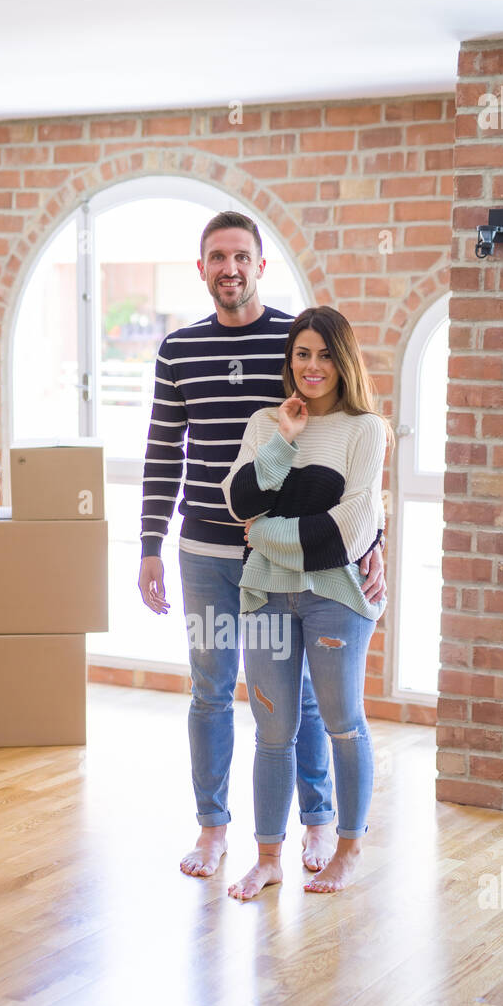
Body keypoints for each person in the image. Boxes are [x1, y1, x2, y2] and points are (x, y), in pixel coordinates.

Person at [137, 212, 385, 878]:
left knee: (300, 697)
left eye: (241, 256)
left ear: (260, 265)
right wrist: (149, 544)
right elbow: (163, 452)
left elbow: (348, 454)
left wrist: (373, 540)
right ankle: (213, 830)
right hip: (205, 554)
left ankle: (316, 823)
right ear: (201, 268)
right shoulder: (177, 350)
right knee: (210, 690)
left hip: (282, 559)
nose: (229, 268)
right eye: (216, 257)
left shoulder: (295, 338)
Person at [222, 306, 392, 899]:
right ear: (290, 359)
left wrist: (268, 538)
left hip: (335, 600)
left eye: (324, 354)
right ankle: (267, 857)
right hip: (265, 596)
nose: (312, 366)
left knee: (344, 723)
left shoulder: (365, 429)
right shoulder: (267, 421)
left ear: (342, 360)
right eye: (302, 353)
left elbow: (349, 529)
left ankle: (347, 848)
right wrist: (284, 440)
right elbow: (240, 502)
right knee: (272, 731)